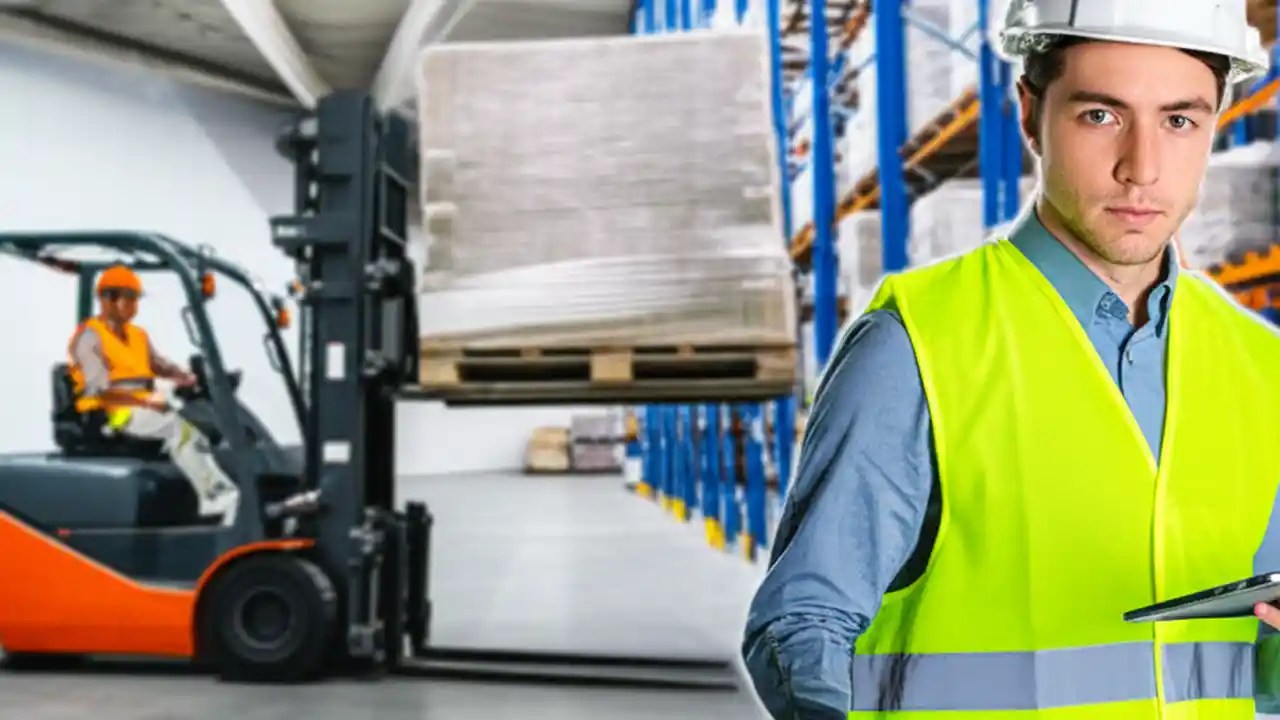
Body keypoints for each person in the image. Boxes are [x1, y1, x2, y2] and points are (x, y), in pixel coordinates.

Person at [742, 1, 1280, 717]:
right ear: (1030, 114)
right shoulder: (920, 345)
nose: (1141, 167)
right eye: (1101, 115)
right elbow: (800, 629)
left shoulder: (1256, 362)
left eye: (1179, 120)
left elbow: (1252, 663)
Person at [67, 264, 240, 526]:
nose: (134, 306)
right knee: (179, 429)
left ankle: (209, 489)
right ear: (108, 299)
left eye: (136, 299)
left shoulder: (137, 335)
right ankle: (215, 497)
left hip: (141, 406)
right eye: (130, 298)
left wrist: (183, 376)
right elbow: (99, 392)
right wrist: (145, 400)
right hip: (110, 414)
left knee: (198, 421)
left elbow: (158, 364)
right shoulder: (89, 338)